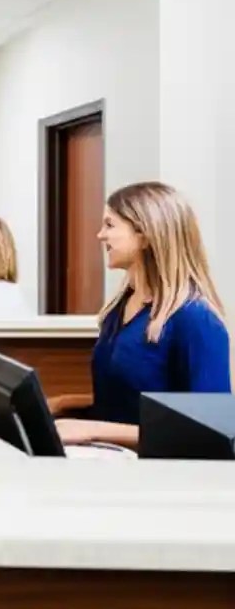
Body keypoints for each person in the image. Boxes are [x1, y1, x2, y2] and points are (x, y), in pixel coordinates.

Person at [52, 182, 230, 448]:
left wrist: (94, 430)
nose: (100, 235)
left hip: (158, 470)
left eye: (110, 225)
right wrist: (64, 404)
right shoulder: (119, 309)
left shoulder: (196, 320)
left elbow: (212, 430)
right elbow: (126, 402)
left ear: (146, 235)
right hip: (111, 458)